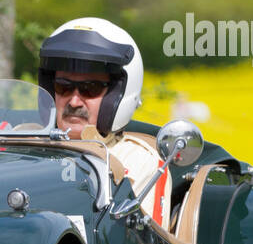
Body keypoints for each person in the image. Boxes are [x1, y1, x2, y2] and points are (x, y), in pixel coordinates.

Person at [38, 17, 171, 227]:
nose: (73, 101)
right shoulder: (23, 141)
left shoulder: (139, 161)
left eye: (90, 88)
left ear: (117, 96)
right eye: (63, 86)